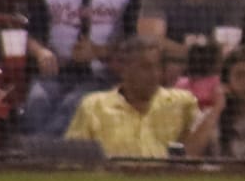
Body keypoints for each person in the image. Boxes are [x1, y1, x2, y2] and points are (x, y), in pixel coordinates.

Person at [22, 0, 141, 136]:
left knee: (73, 105)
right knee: (36, 103)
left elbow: (135, 43)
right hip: (57, 74)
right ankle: (40, 156)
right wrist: (41, 52)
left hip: (103, 75)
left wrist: (100, 51)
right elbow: (32, 35)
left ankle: (36, 156)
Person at [65, 35, 218, 158]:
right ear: (123, 68)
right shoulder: (94, 106)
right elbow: (73, 159)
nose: (154, 75)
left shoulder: (183, 103)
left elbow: (193, 153)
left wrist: (216, 109)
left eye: (157, 67)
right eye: (145, 67)